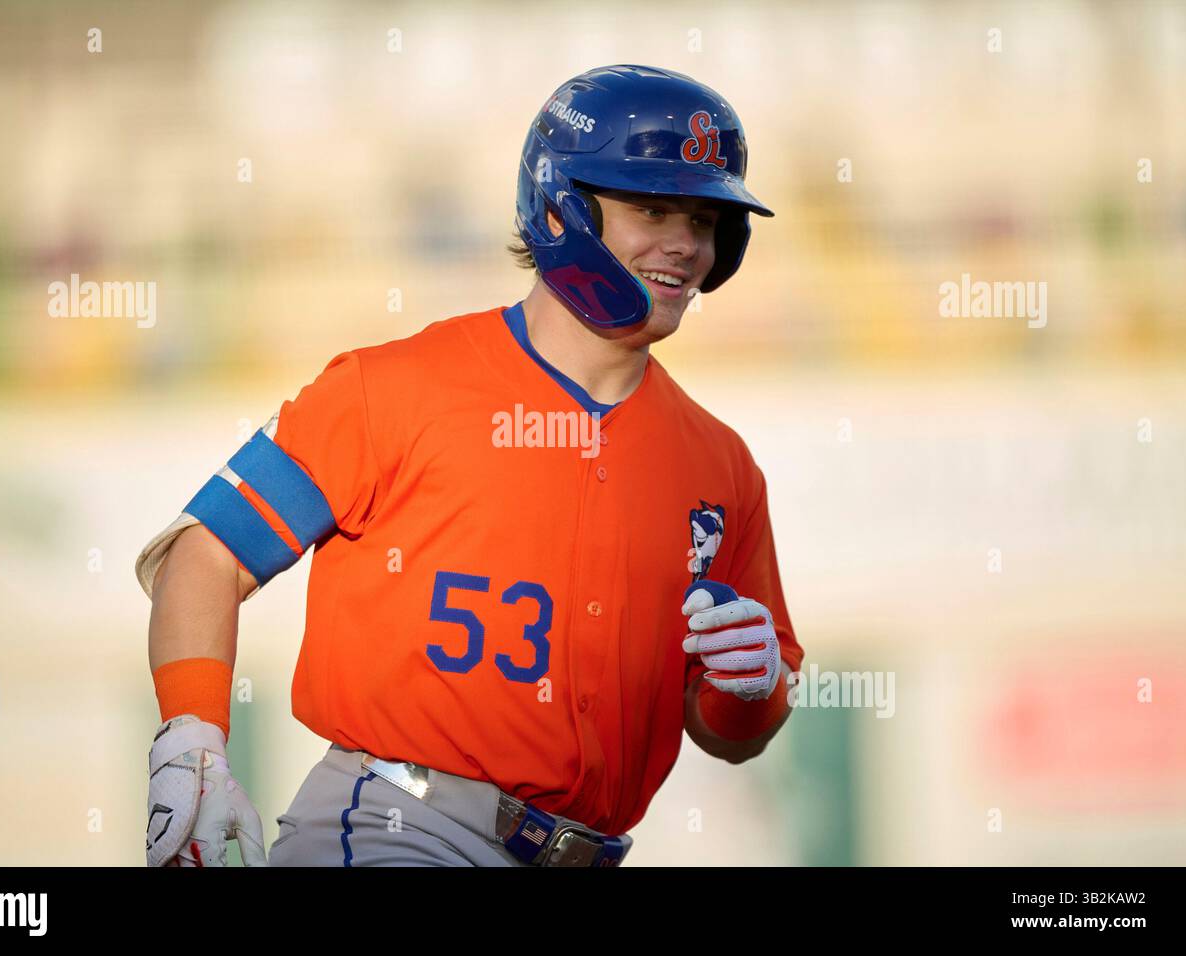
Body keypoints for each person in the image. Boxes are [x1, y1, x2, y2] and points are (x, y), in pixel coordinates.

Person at [137, 64, 804, 868]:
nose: (685, 244)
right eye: (653, 207)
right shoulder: (395, 386)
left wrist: (751, 688)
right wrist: (193, 741)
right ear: (563, 203)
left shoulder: (720, 463)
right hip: (398, 826)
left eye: (705, 219)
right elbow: (205, 551)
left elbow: (731, 732)